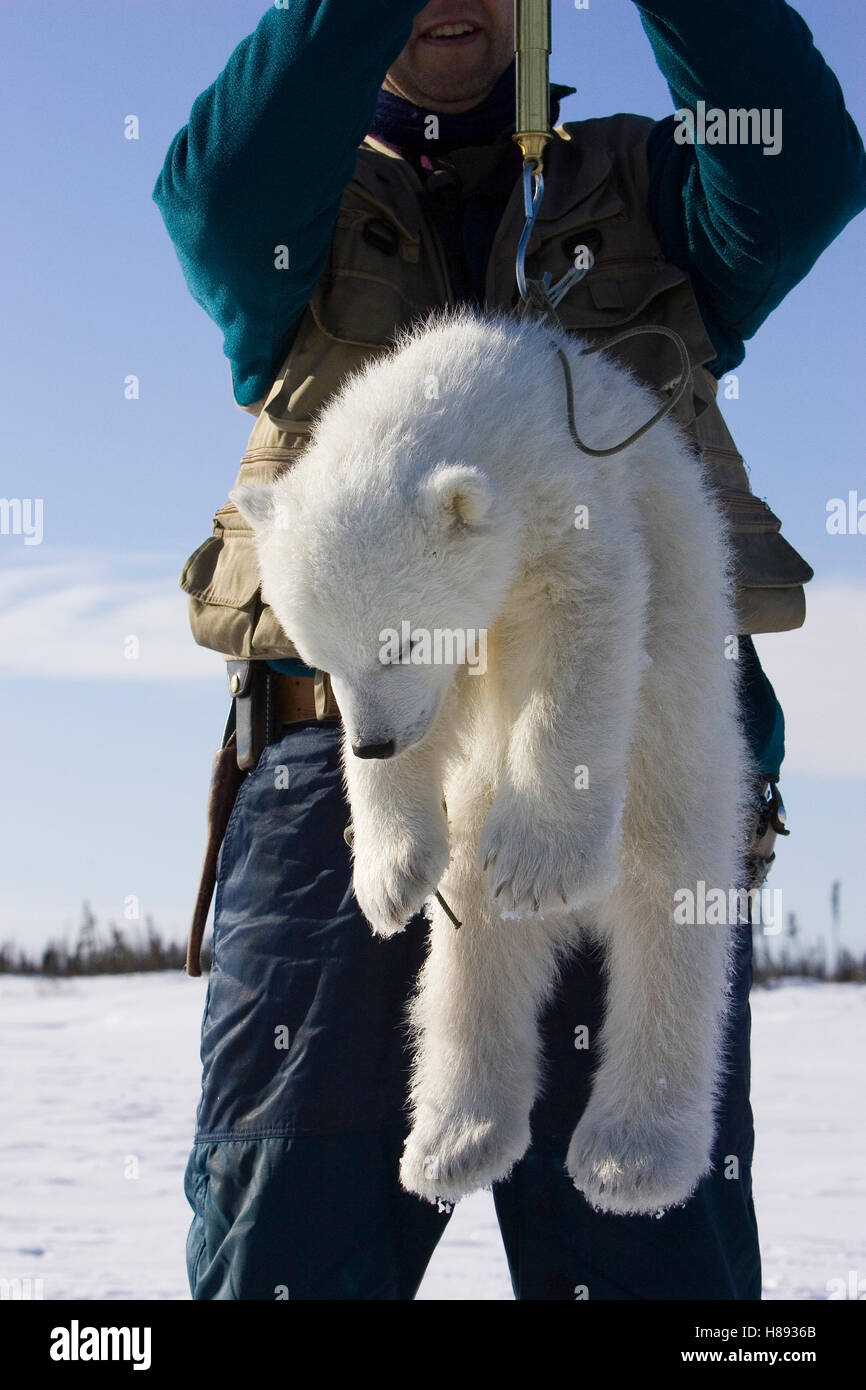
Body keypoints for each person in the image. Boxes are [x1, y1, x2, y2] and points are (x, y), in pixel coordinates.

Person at [154, 1, 865, 1300]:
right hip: (343, 790)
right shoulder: (291, 215)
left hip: (632, 750)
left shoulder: (657, 189)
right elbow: (212, 192)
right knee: (283, 1266)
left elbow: (802, 170)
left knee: (656, 1263)